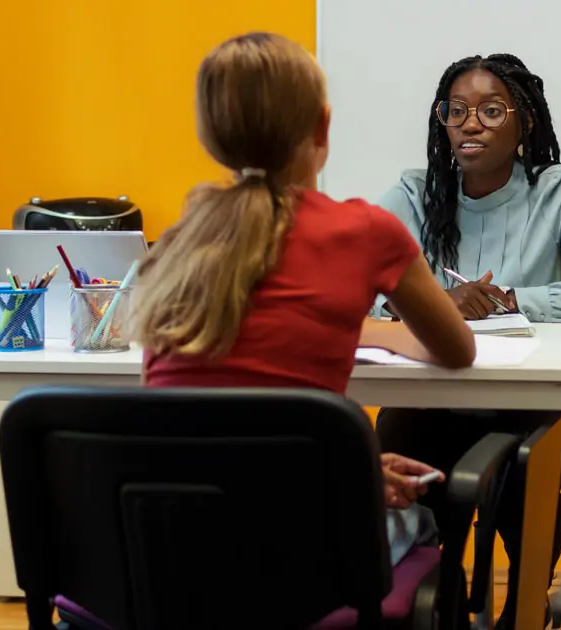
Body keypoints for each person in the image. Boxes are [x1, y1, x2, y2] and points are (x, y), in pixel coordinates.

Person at [132, 33, 478, 569]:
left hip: (169, 561)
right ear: (322, 125)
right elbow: (457, 350)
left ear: (209, 134)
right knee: (423, 524)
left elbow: (208, 433)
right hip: (300, 560)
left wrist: (349, 465)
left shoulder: (179, 242)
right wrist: (375, 334)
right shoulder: (367, 232)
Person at [373, 53, 561, 628]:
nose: (471, 123)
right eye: (456, 111)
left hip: (541, 400)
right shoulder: (415, 193)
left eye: (491, 111)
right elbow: (356, 285)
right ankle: (436, 597)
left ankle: (527, 605)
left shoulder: (559, 190)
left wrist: (510, 300)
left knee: (522, 472)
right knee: (402, 452)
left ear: (525, 122)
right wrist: (434, 305)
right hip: (433, 399)